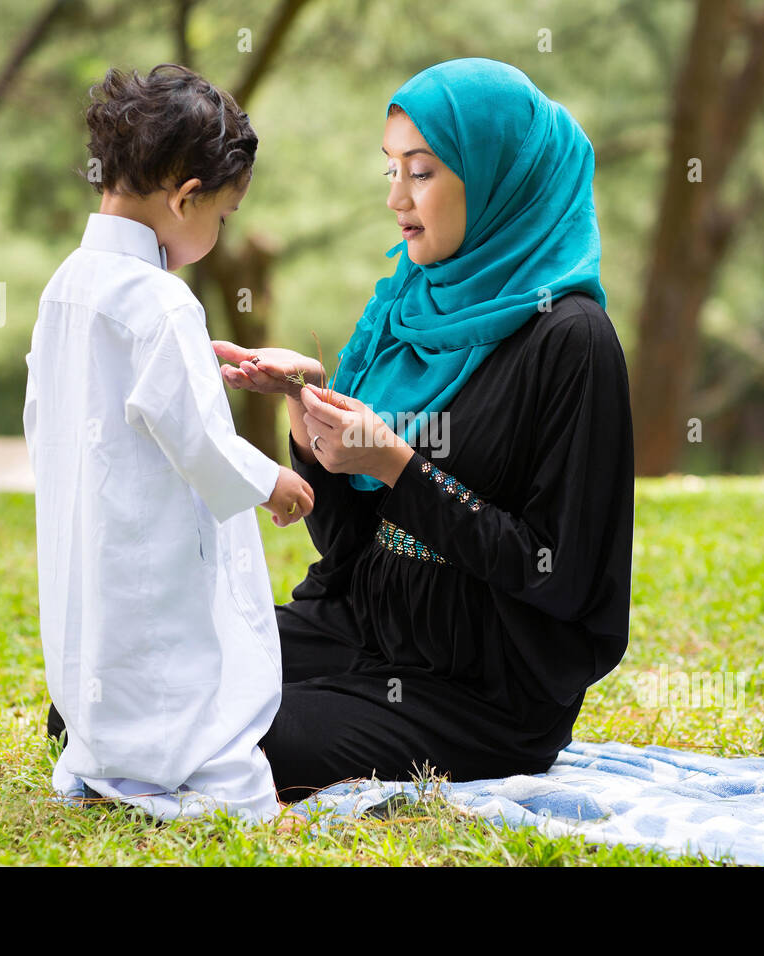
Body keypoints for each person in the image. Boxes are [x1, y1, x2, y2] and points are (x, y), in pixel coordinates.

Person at [215, 58, 635, 802]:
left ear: (501, 177)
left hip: (478, 687)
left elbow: (560, 576)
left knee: (218, 737)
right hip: (356, 628)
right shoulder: (405, 311)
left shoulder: (571, 341)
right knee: (122, 694)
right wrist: (307, 414)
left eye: (423, 172)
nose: (396, 200)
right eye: (390, 171)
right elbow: (351, 547)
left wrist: (403, 469)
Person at [24, 64, 313, 824]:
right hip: (150, 540)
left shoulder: (69, 283)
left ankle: (108, 756)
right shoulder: (160, 300)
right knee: (174, 646)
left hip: (92, 530)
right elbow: (199, 438)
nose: (217, 235)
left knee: (108, 640)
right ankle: (178, 769)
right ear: (185, 196)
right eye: (221, 217)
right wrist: (271, 480)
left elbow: (75, 395)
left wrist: (190, 354)